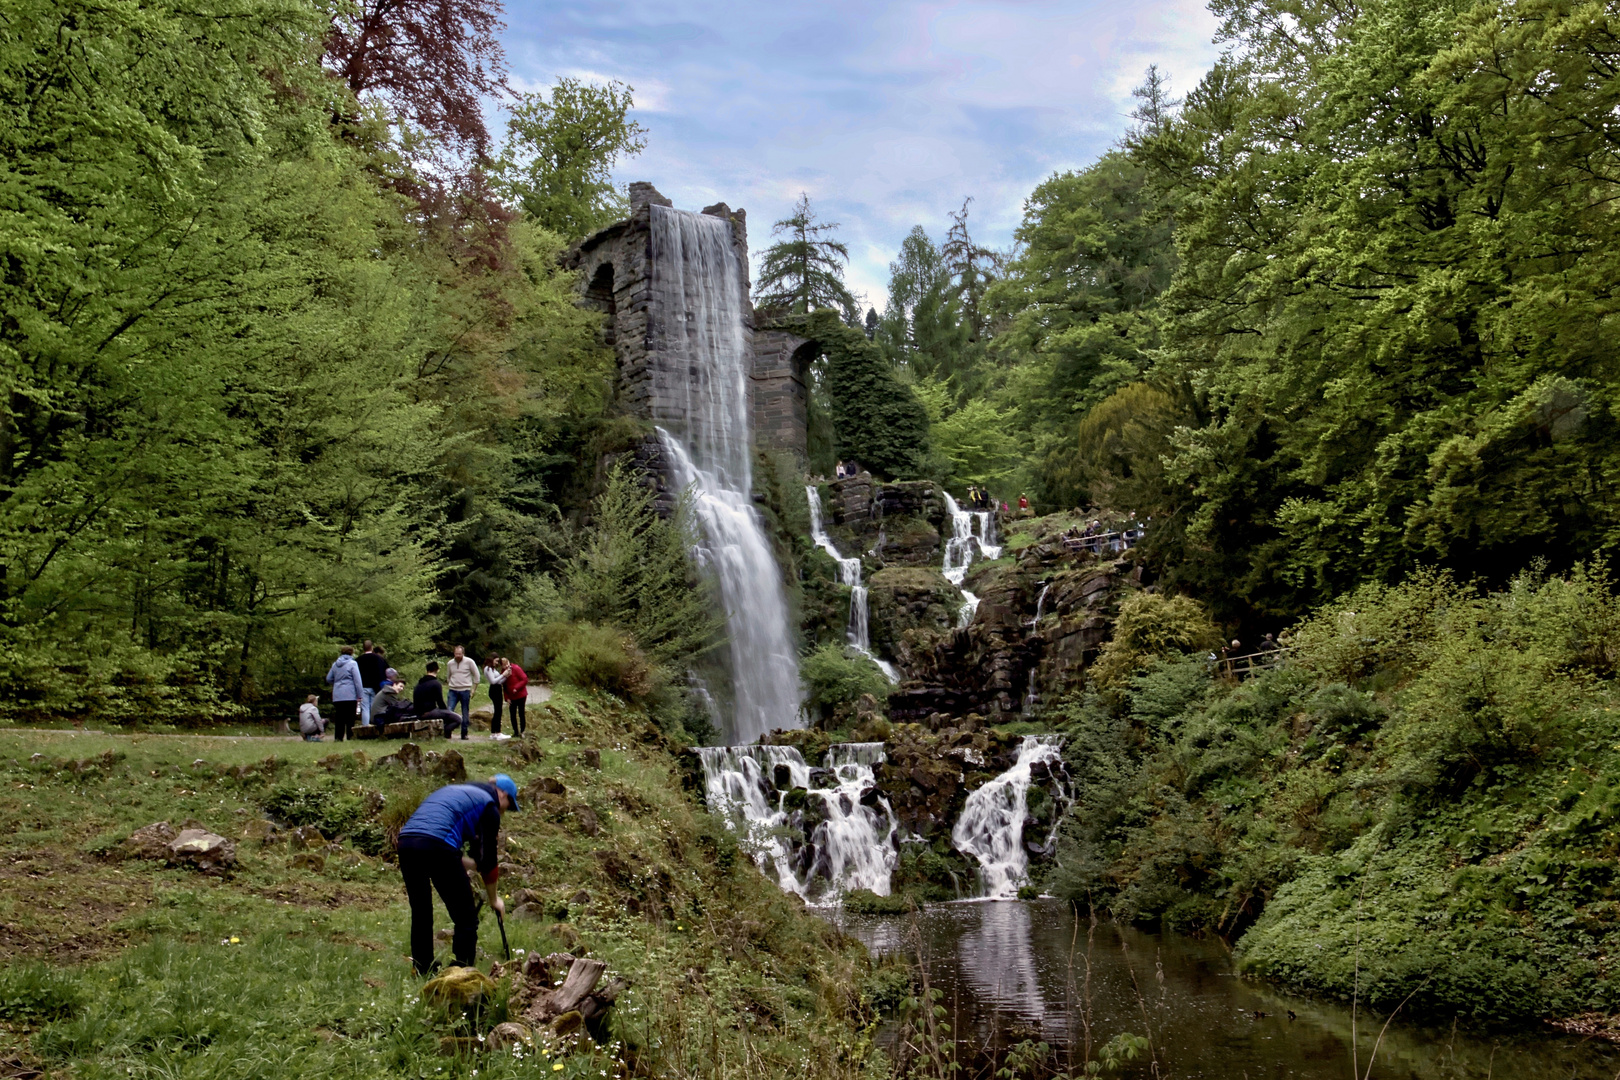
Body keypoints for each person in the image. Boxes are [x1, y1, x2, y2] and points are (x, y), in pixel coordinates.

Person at [396, 774, 521, 976]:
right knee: (466, 919)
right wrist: (494, 899)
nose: (505, 811)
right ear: (502, 793)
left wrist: (473, 864)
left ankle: (422, 968)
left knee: (421, 910)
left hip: (407, 842)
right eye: (508, 804)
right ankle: (461, 972)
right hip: (438, 845)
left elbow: (451, 850)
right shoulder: (489, 806)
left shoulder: (457, 792)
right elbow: (488, 862)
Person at [324, 645, 363, 742]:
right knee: (350, 718)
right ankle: (350, 737)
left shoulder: (335, 664)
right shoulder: (353, 664)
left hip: (337, 694)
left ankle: (338, 738)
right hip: (350, 694)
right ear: (352, 653)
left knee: (339, 718)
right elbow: (357, 681)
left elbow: (328, 678)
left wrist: (337, 682)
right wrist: (360, 695)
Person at [413, 663, 463, 735]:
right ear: (438, 670)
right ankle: (445, 733)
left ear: (427, 671)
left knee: (446, 715)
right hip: (429, 712)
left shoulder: (419, 684)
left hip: (419, 714)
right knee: (458, 719)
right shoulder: (435, 683)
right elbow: (440, 702)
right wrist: (447, 712)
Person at [444, 645, 479, 741]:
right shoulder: (450, 663)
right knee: (449, 710)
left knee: (465, 711)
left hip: (465, 689)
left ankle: (464, 733)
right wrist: (450, 684)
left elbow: (476, 675)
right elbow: (448, 676)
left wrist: (473, 689)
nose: (458, 655)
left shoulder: (469, 662)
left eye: (459, 654)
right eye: (456, 654)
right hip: (453, 690)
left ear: (463, 653)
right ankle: (447, 731)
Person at [357, 642, 388, 727]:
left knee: (365, 708)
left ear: (363, 648)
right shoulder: (379, 659)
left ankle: (365, 725)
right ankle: (375, 724)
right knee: (375, 706)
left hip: (363, 686)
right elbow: (385, 672)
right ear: (372, 647)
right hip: (376, 686)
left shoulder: (358, 660)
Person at [501, 657, 529, 737]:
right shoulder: (503, 672)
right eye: (504, 666)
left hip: (520, 695)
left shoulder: (516, 668)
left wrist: (516, 688)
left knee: (521, 713)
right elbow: (504, 686)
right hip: (511, 697)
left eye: (507, 664)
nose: (506, 667)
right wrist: (506, 698)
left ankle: (522, 731)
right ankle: (516, 732)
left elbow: (524, 679)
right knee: (512, 714)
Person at [483, 654, 506, 736]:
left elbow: (499, 681)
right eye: (496, 661)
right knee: (498, 710)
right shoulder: (488, 669)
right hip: (494, 689)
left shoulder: (493, 669)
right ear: (491, 659)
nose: (497, 663)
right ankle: (496, 732)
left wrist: (506, 676)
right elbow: (493, 681)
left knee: (499, 710)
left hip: (498, 688)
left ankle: (495, 731)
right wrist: (503, 675)